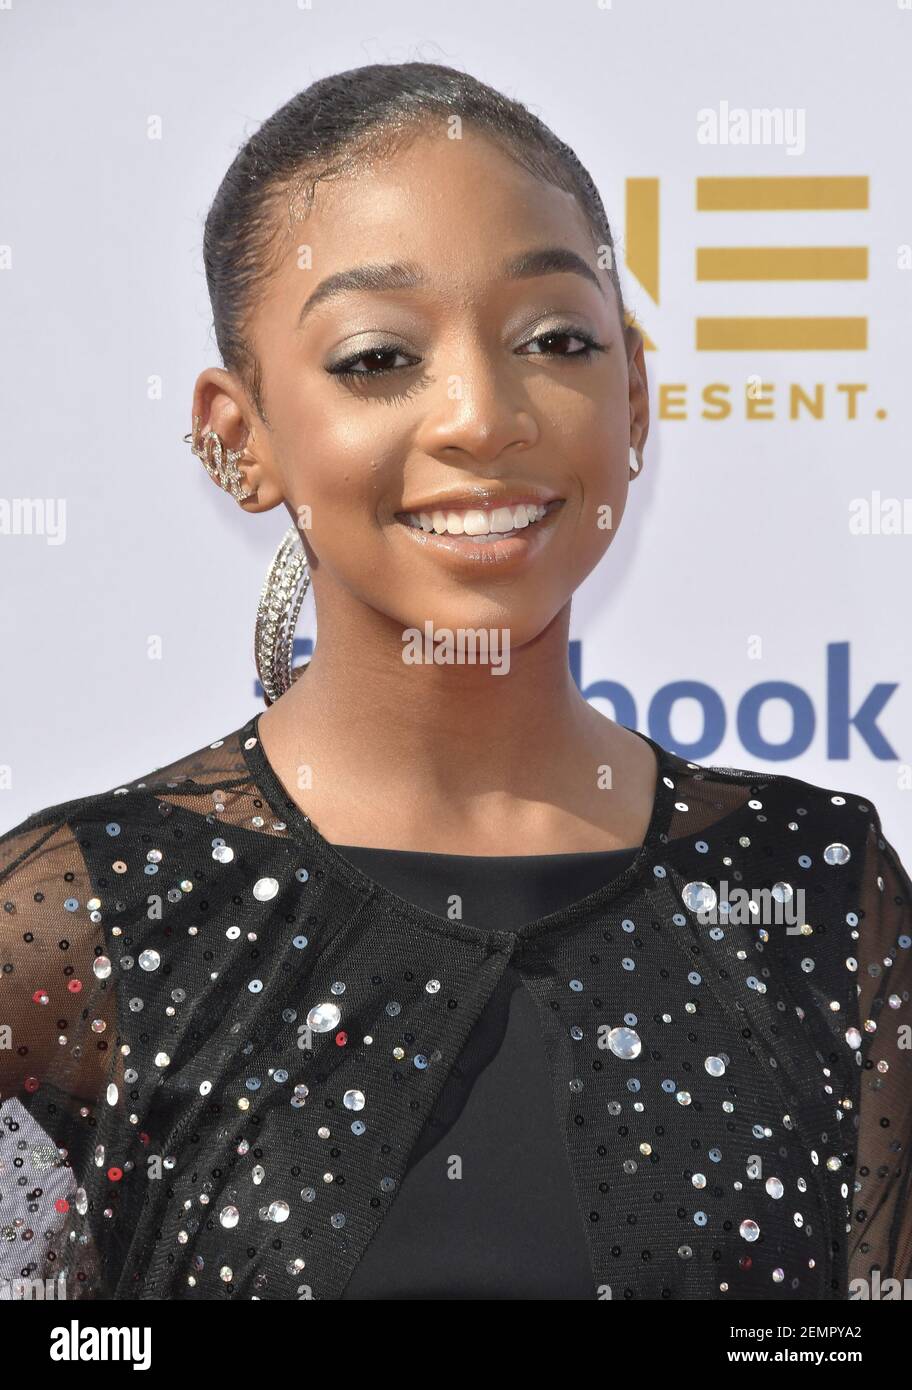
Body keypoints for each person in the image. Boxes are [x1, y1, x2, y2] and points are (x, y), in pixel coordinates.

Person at [1, 62, 910, 1302]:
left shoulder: (812, 884)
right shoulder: (86, 916)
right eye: (379, 358)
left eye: (556, 340)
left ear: (633, 397)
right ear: (239, 435)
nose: (482, 414)